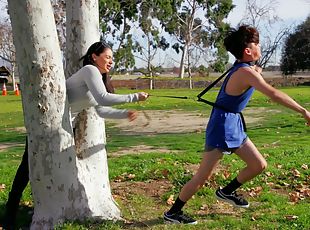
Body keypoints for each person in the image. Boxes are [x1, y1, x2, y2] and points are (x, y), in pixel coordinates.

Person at [163, 25, 310, 225]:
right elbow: (273, 94)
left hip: (233, 123)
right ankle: (173, 212)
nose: (260, 46)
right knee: (202, 176)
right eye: (256, 43)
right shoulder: (246, 73)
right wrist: (303, 111)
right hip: (222, 125)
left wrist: (256, 68)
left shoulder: (246, 69)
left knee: (258, 165)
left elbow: (253, 72)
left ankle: (226, 191)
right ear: (248, 50)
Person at [2, 41, 149, 229]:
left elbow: (101, 110)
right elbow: (104, 98)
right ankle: (9, 215)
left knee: (57, 171)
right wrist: (134, 96)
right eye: (108, 57)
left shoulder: (96, 78)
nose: (111, 61)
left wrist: (124, 114)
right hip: (46, 127)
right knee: (26, 169)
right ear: (95, 56)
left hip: (65, 130)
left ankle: (49, 207)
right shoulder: (89, 70)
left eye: (113, 58)